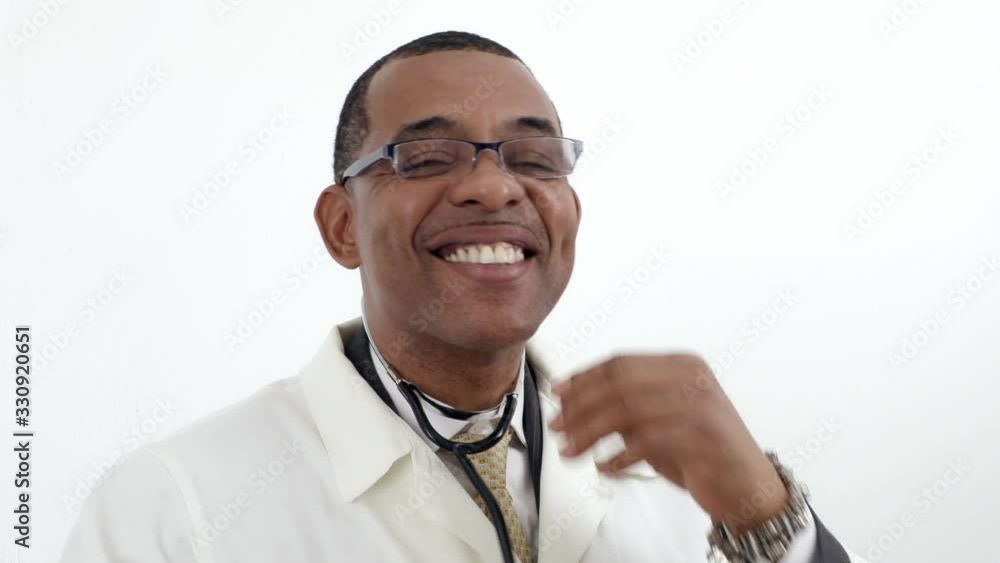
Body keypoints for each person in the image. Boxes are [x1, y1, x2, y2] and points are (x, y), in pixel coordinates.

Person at [59, 31, 862, 563]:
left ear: (570, 212)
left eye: (534, 156)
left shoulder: (687, 479)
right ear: (341, 225)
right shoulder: (173, 508)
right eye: (429, 155)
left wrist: (764, 515)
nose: (491, 184)